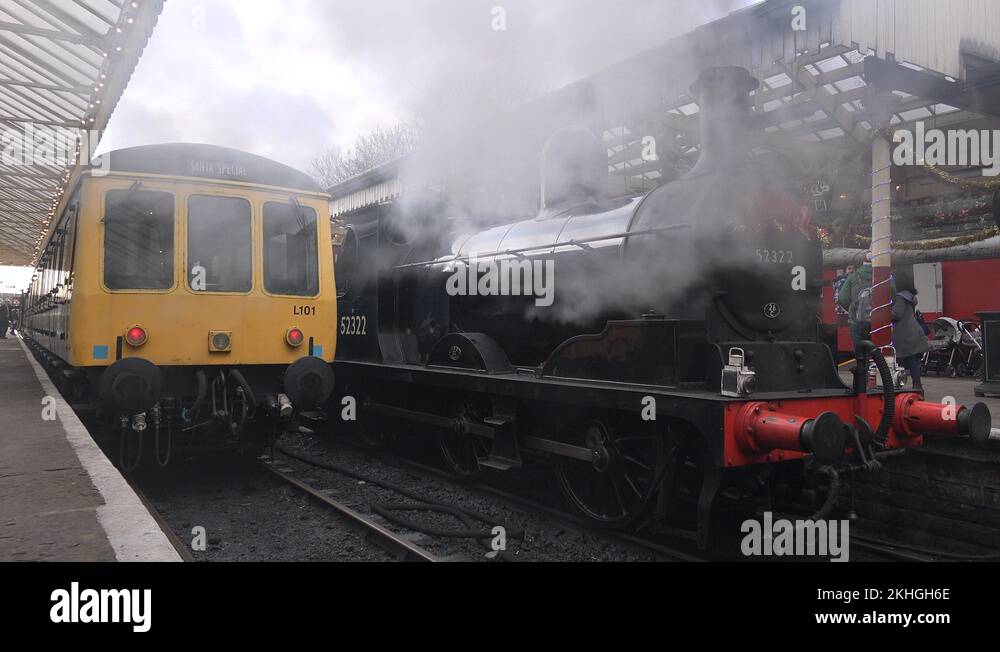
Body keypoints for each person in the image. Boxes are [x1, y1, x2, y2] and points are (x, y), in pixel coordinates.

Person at [837, 254, 894, 351]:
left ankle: (862, 365)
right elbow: (893, 298)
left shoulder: (852, 277)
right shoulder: (887, 276)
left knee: (861, 354)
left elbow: (842, 298)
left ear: (862, 263)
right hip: (880, 322)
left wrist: (853, 309)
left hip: (857, 322)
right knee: (880, 353)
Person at [892, 289, 930, 391]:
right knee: (911, 359)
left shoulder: (900, 297)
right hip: (911, 330)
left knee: (910, 359)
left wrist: (883, 312)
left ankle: (916, 386)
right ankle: (916, 385)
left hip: (906, 333)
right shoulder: (908, 296)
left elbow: (896, 314)